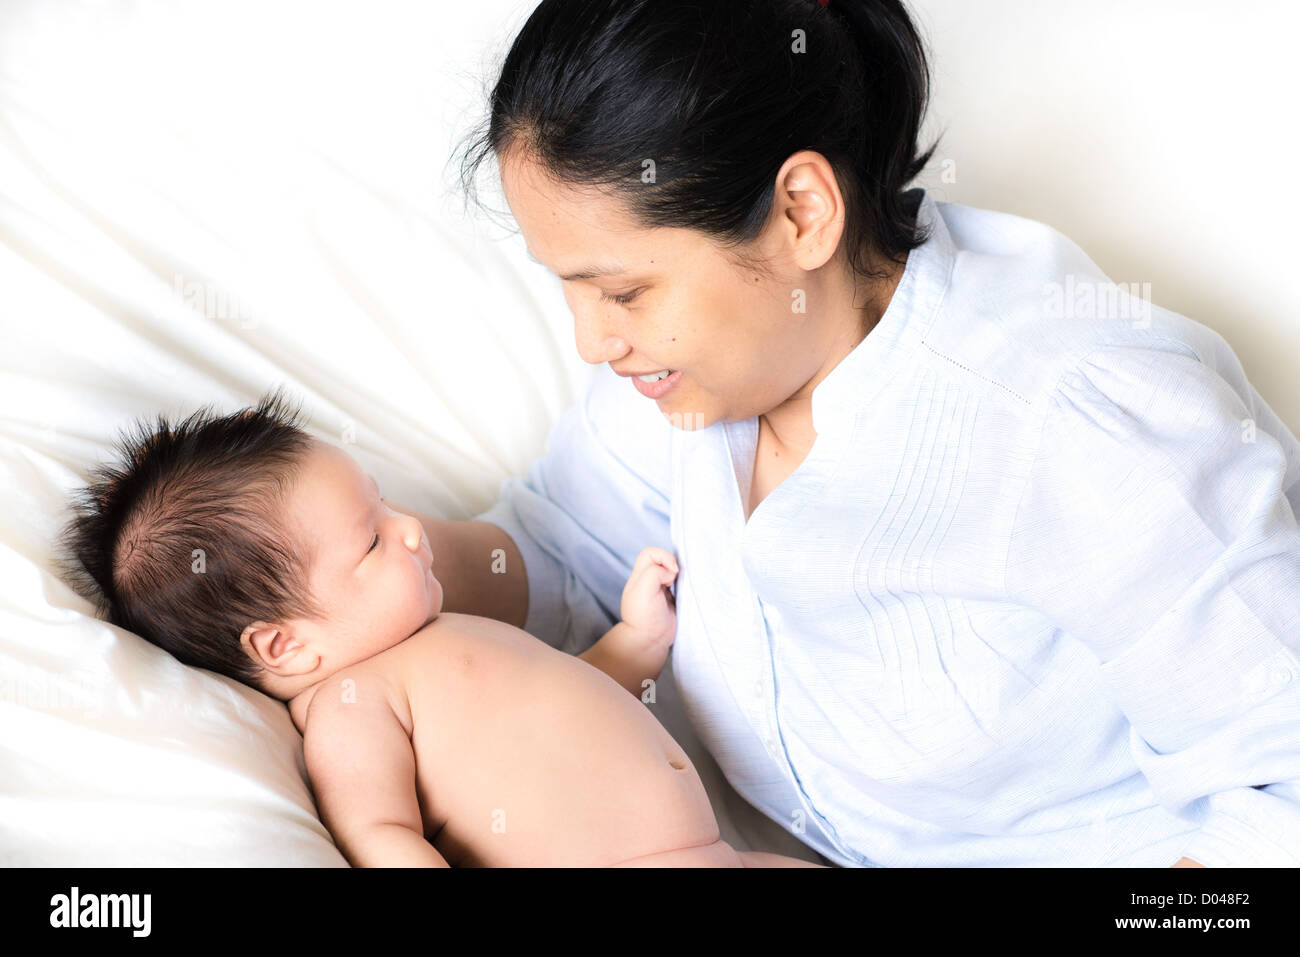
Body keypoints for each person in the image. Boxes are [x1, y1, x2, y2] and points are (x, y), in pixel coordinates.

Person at [414, 0, 1300, 867]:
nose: (592, 341)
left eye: (624, 291)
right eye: (569, 287)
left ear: (802, 212)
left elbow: (1283, 791)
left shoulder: (1073, 418)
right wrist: (360, 553)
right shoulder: (692, 379)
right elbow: (560, 553)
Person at [57, 391, 825, 867]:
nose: (413, 530)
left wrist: (636, 640)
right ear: (285, 644)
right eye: (372, 540)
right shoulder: (351, 704)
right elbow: (380, 832)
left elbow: (562, 708)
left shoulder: (443, 636)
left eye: (387, 505)